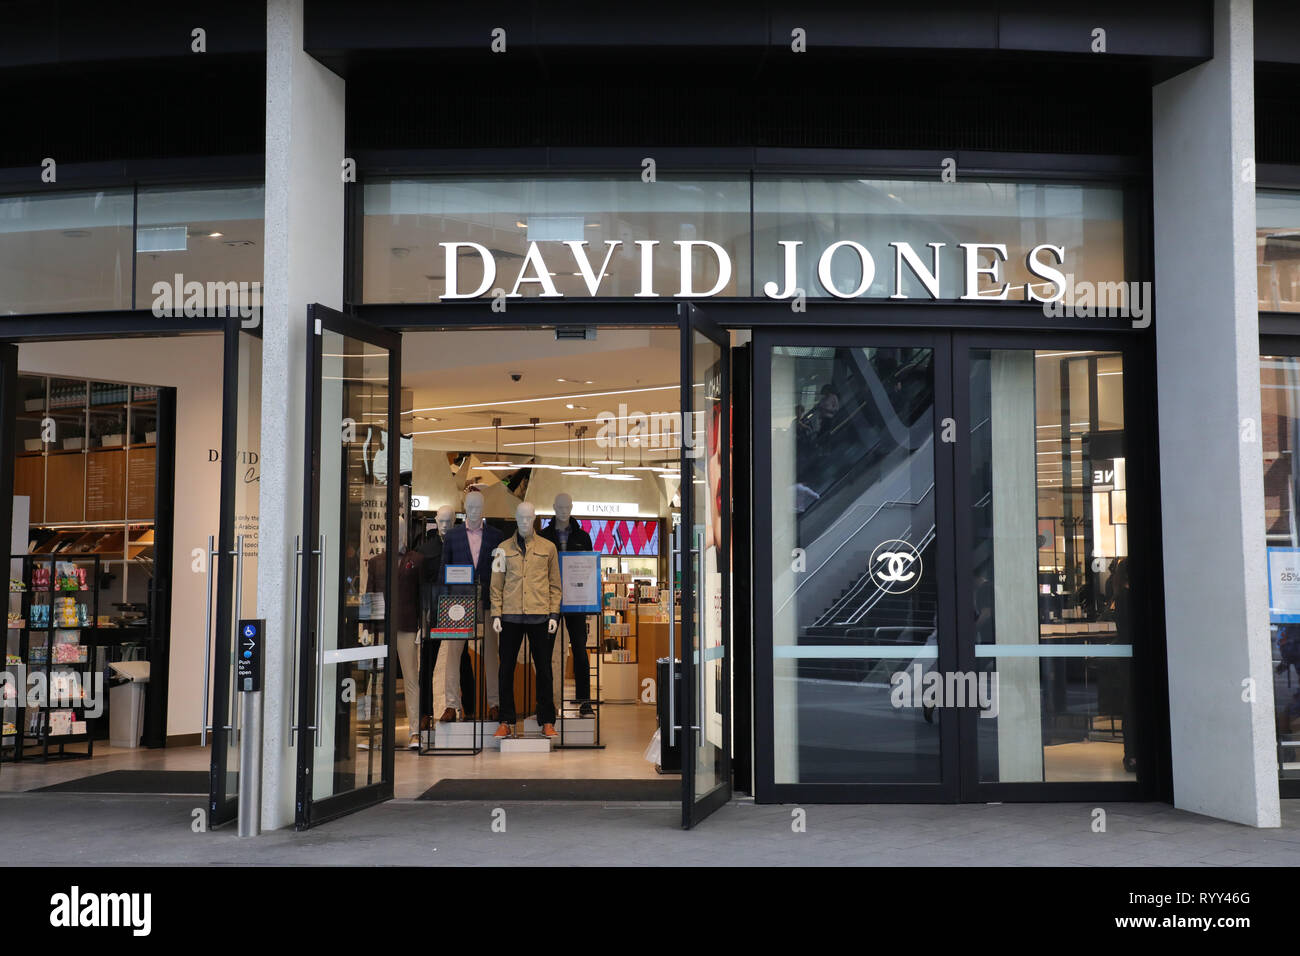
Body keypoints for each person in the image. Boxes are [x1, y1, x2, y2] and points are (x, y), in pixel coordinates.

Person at [490, 501, 562, 739]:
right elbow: (496, 585)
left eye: (528, 518)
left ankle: (547, 720)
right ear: (515, 518)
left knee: (543, 669)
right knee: (506, 669)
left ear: (534, 519)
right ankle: (506, 720)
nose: (524, 522)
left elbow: (555, 584)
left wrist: (554, 614)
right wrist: (497, 613)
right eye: (520, 518)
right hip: (510, 616)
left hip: (539, 615)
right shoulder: (501, 549)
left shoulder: (548, 548)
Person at [539, 493, 595, 717]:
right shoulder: (543, 536)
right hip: (550, 601)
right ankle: (548, 702)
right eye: (559, 506)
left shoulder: (583, 536)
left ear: (572, 507)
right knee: (546, 652)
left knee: (580, 651)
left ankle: (584, 701)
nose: (563, 510)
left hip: (576, 602)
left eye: (567, 506)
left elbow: (589, 568)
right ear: (553, 507)